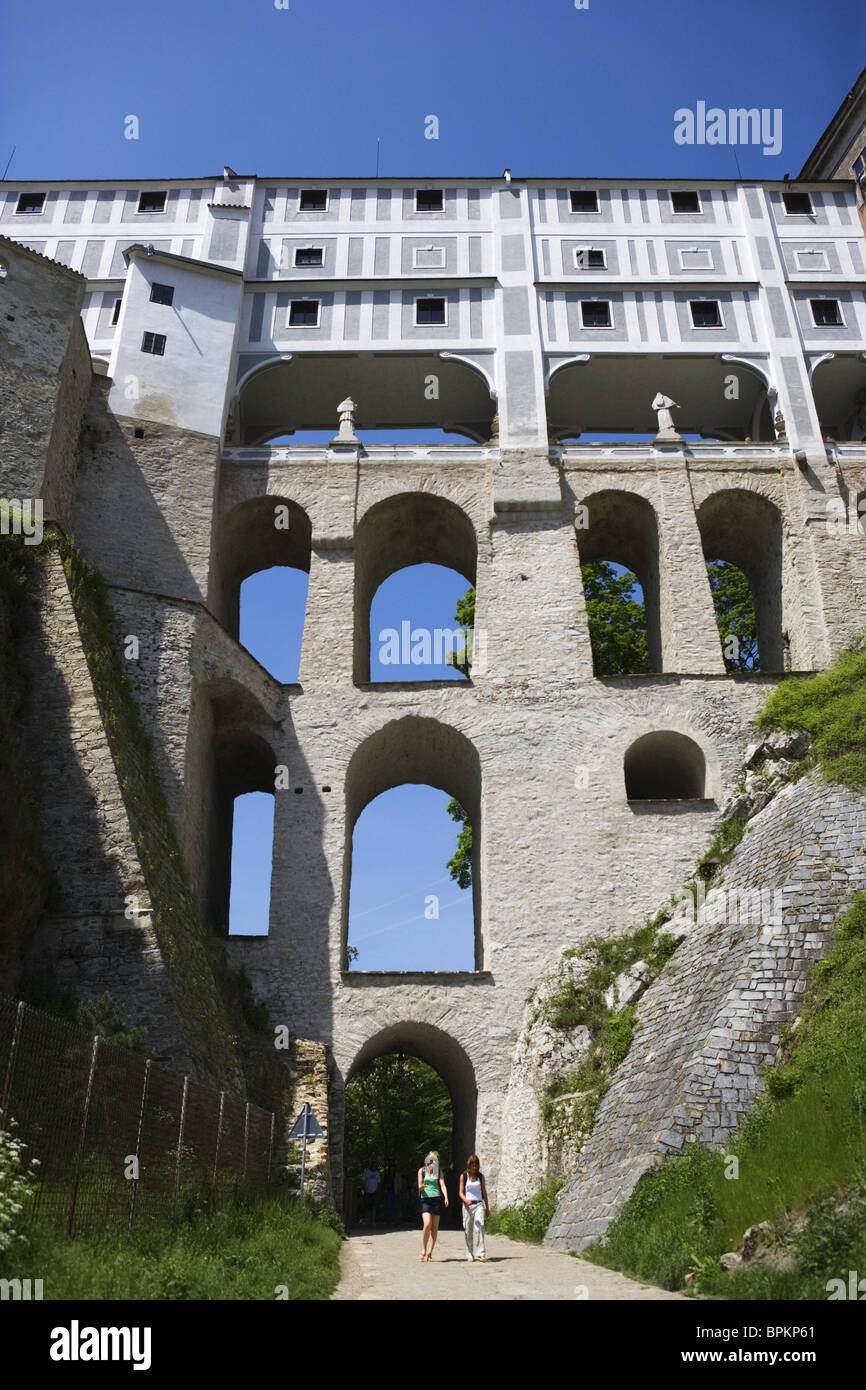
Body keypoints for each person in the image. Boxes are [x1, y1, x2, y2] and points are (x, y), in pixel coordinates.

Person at [417, 1150, 448, 1260]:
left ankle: (430, 1252)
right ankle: (424, 1249)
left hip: (436, 1200)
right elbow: (419, 1185)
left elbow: (443, 1185)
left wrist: (446, 1197)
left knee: (434, 1228)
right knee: (427, 1224)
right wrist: (421, 1187)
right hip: (425, 1199)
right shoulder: (422, 1171)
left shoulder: (439, 1172)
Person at [459, 1154, 489, 1262]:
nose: (474, 1168)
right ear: (469, 1165)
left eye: (476, 1165)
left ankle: (481, 1253)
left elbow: (484, 1192)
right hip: (467, 1205)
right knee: (468, 1229)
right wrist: (465, 1200)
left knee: (480, 1226)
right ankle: (469, 1254)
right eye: (473, 1165)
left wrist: (487, 1207)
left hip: (479, 1204)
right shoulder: (464, 1176)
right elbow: (460, 1192)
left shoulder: (480, 1177)